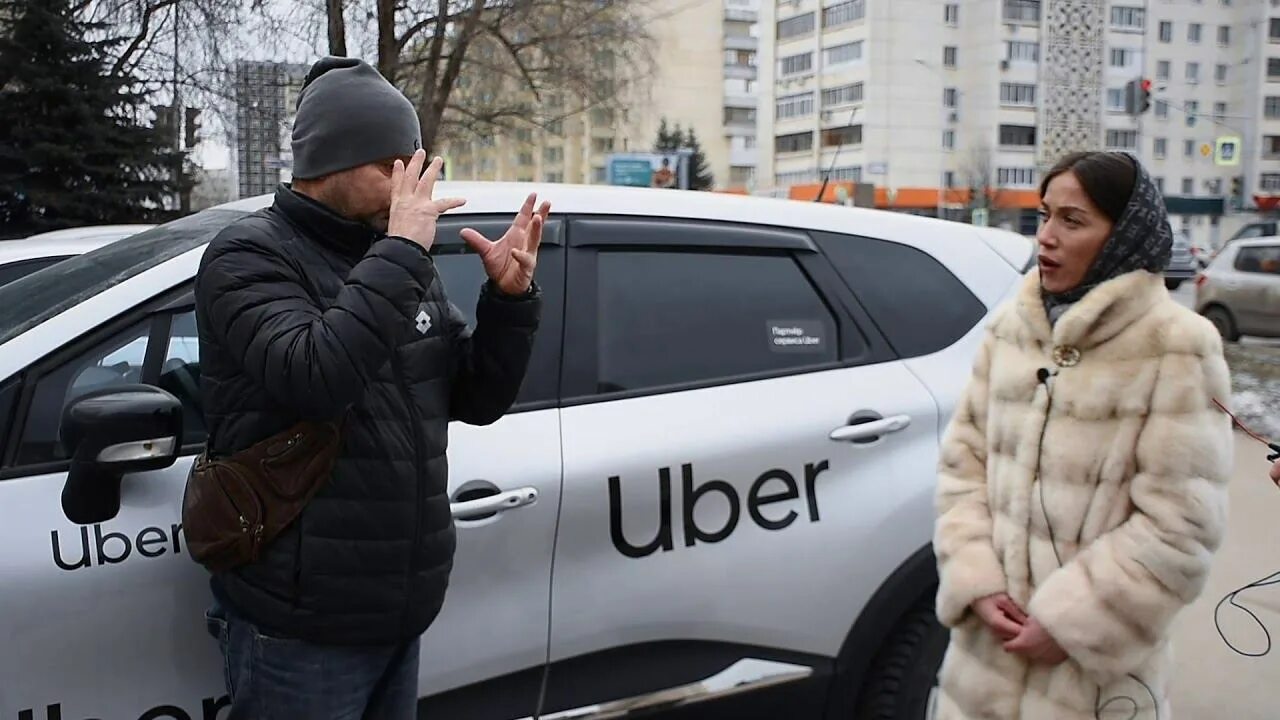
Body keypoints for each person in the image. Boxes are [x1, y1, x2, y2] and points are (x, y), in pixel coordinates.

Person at [193, 57, 548, 718]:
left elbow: (475, 398)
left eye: (417, 163)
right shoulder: (249, 255)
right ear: (333, 162)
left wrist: (510, 302)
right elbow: (317, 378)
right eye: (395, 166)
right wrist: (403, 252)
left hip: (398, 610)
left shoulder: (393, 254)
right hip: (301, 624)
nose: (410, 184)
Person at [932, 150, 1234, 719]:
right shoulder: (1010, 328)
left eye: (1072, 221)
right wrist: (977, 580)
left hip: (1090, 681)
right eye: (1044, 215)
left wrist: (1074, 621)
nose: (1046, 236)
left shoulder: (1177, 345)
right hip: (982, 666)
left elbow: (1181, 524)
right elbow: (962, 467)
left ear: (1123, 237)